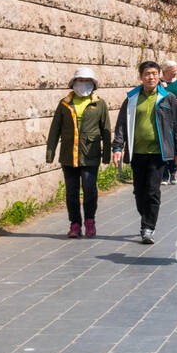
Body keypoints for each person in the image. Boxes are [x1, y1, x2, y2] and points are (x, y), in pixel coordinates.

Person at [112, 60, 177, 244]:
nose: (151, 77)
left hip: (158, 152)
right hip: (137, 152)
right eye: (147, 74)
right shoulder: (131, 99)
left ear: (159, 75)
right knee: (139, 192)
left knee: (153, 191)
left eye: (154, 73)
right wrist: (117, 147)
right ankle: (146, 216)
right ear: (141, 77)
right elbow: (122, 124)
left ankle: (148, 227)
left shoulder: (167, 98)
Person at [45, 66, 111, 238]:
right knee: (71, 191)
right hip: (69, 154)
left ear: (93, 84)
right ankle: (74, 223)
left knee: (90, 189)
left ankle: (90, 221)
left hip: (91, 154)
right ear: (74, 83)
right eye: (80, 81)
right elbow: (54, 130)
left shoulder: (99, 104)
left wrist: (107, 154)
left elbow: (106, 130)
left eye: (87, 81)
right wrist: (50, 153)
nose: (83, 84)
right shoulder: (64, 103)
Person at [160, 60, 177, 186]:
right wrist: (161, 88)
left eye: (176, 70)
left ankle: (174, 173)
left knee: (176, 146)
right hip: (164, 119)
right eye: (173, 70)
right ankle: (164, 175)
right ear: (166, 70)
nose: (175, 72)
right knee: (165, 146)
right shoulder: (159, 83)